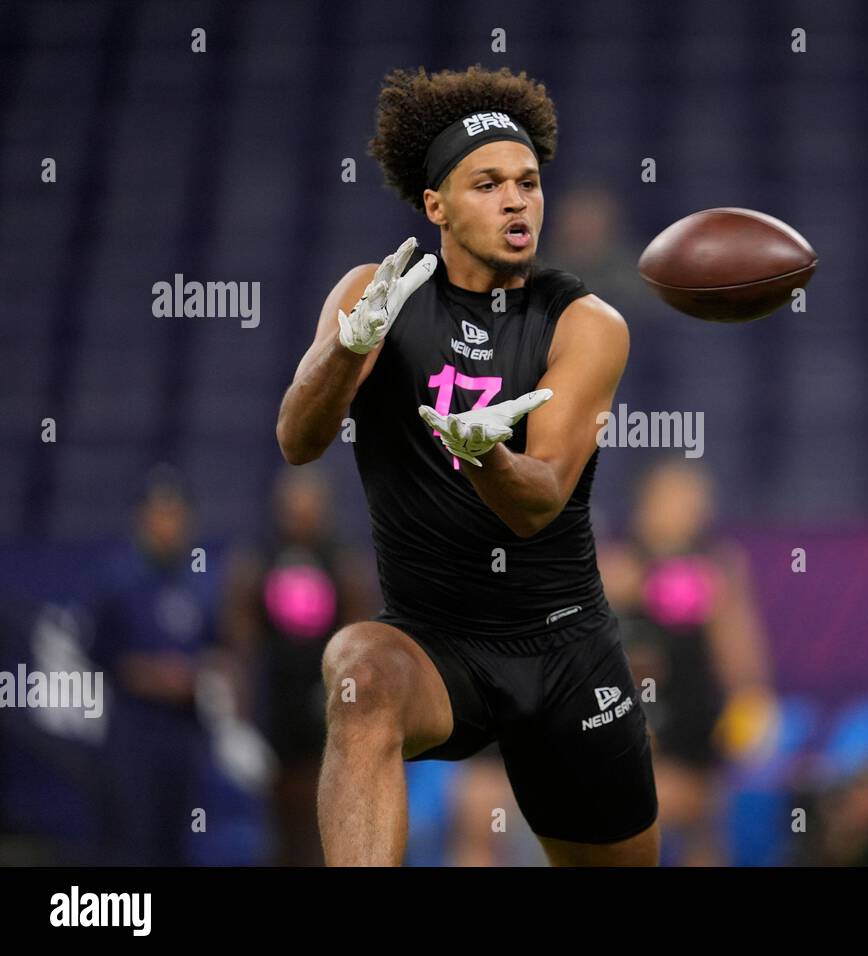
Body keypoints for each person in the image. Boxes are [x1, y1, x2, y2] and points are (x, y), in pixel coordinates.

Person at [275, 64, 657, 866]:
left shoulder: (587, 324)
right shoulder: (374, 293)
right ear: (435, 205)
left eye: (528, 182)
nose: (517, 200)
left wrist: (481, 452)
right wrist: (349, 350)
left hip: (564, 652)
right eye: (487, 184)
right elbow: (298, 439)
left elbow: (538, 501)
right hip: (435, 648)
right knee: (358, 672)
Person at [600, 460, 774, 866]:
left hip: (697, 713)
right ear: (648, 504)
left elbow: (737, 643)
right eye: (679, 496)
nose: (693, 507)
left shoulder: (718, 565)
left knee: (703, 824)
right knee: (640, 828)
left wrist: (751, 697)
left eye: (697, 498)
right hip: (639, 715)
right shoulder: (617, 565)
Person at [222, 464, 373, 866]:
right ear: (280, 507)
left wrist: (346, 694)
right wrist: (238, 713)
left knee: (318, 801)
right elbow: (240, 635)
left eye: (309, 505)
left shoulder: (341, 561)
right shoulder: (259, 559)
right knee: (278, 811)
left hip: (320, 695)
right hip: (277, 696)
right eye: (293, 505)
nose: (301, 513)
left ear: (322, 508)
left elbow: (359, 630)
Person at [90, 465, 219, 865]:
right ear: (142, 518)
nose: (168, 524)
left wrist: (199, 675)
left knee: (177, 841)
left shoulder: (198, 583)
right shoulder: (118, 580)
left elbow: (216, 652)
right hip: (135, 731)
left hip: (183, 730)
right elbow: (98, 653)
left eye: (176, 514)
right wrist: (149, 675)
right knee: (134, 841)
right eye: (160, 514)